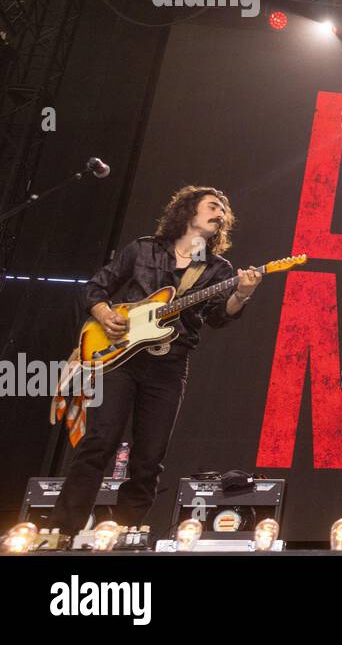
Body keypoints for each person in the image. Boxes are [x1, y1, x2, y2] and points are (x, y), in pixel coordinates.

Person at [51, 186, 262, 535]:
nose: (220, 214)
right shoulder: (143, 248)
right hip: (120, 359)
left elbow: (218, 318)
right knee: (98, 443)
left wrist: (241, 293)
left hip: (169, 365)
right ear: (188, 211)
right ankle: (61, 531)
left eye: (224, 211)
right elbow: (94, 288)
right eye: (213, 206)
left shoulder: (218, 269)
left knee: (148, 459)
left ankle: (122, 534)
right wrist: (104, 314)